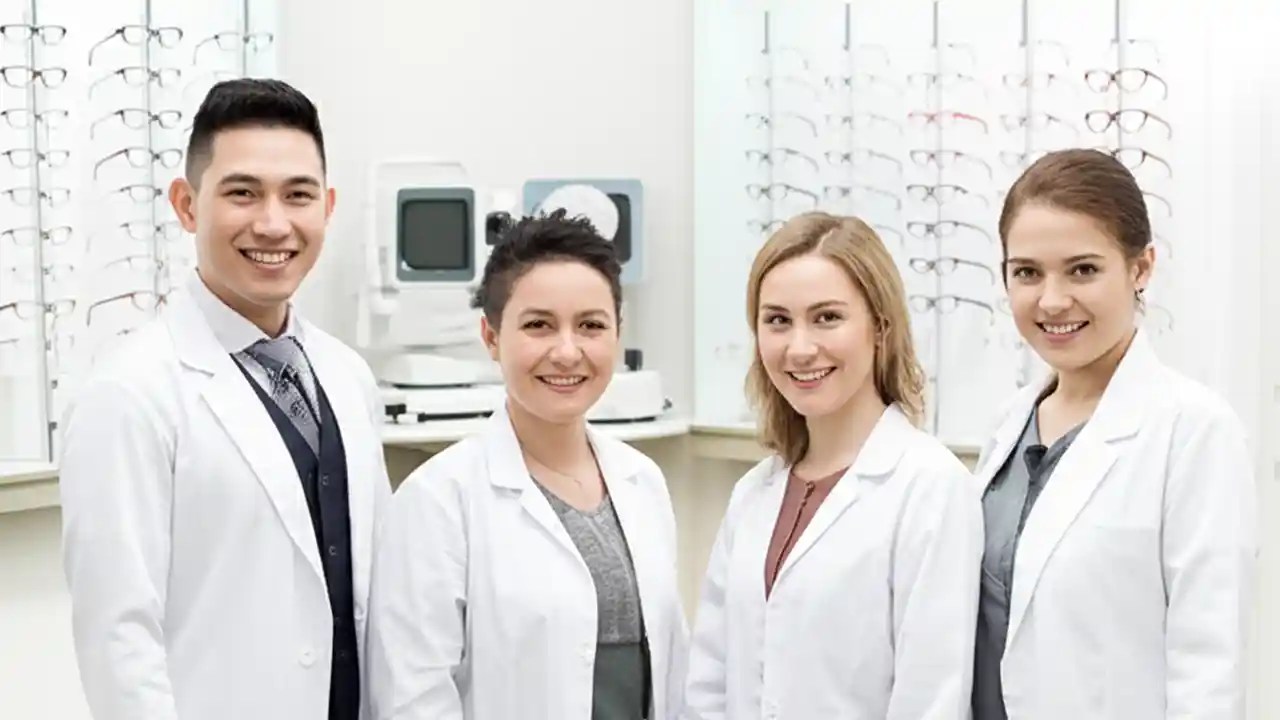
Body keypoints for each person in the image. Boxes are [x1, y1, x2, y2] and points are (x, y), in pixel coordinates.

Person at [58, 78, 391, 720]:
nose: (273, 223)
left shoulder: (348, 377)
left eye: (298, 196)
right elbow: (118, 639)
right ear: (187, 205)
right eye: (243, 193)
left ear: (327, 207)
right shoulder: (129, 395)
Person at [365, 210, 688, 719]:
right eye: (539, 325)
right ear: (491, 338)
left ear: (617, 333)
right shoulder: (439, 501)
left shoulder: (642, 482)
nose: (566, 351)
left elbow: (668, 679)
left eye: (591, 326)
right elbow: (413, 699)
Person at [971, 148, 1258, 719]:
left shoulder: (1194, 431)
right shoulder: (1009, 426)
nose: (1051, 300)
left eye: (1082, 269)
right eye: (1027, 272)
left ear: (1141, 267)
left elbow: (1208, 669)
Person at [682, 211, 983, 719]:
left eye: (827, 317)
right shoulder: (755, 494)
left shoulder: (930, 487)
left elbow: (930, 699)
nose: (800, 348)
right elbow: (709, 685)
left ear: (880, 328)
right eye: (777, 320)